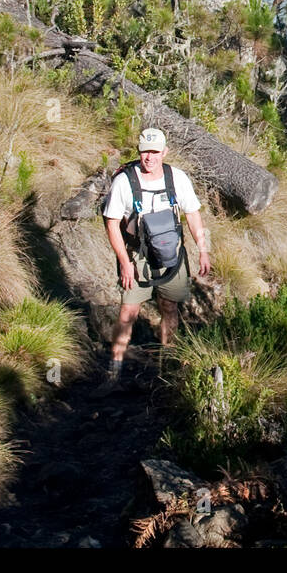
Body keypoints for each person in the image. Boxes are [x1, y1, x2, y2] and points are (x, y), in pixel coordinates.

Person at [92, 128, 211, 396]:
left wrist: (203, 250)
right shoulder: (124, 181)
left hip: (172, 254)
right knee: (128, 312)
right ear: (139, 152)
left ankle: (167, 370)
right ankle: (113, 372)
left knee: (169, 308)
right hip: (136, 256)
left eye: (155, 151)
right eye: (145, 151)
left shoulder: (177, 178)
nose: (150, 157)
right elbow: (112, 223)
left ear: (164, 152)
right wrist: (124, 262)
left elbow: (192, 214)